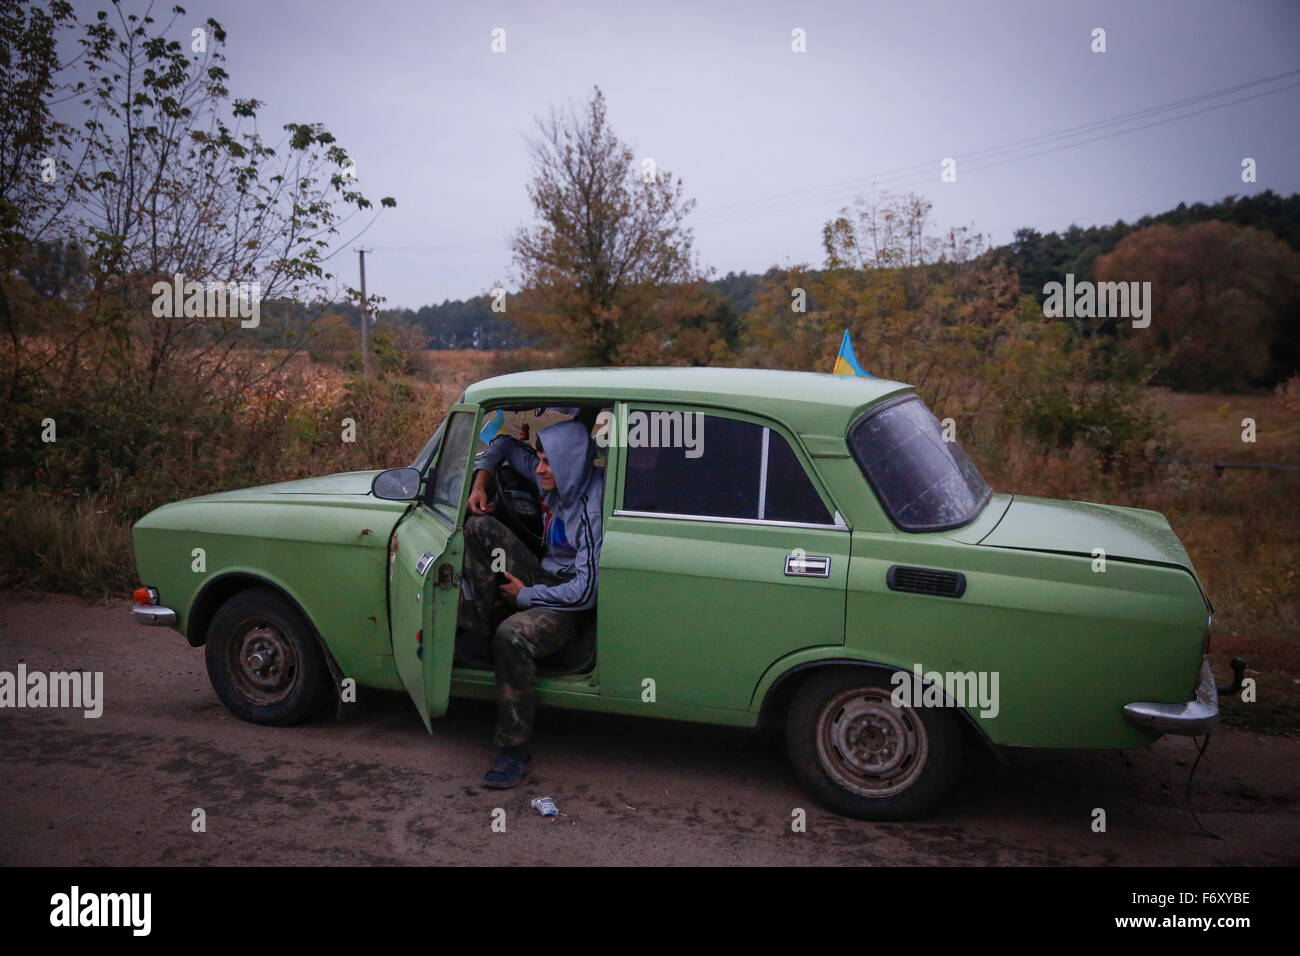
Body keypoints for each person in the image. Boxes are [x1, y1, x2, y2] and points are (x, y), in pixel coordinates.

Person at [459, 418, 604, 789]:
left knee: (512, 635)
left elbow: (586, 592)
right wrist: (481, 482)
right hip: (544, 576)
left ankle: (513, 750)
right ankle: (474, 639)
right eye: (538, 459)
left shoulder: (591, 508)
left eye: (547, 462)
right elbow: (504, 445)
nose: (538, 469)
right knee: (479, 528)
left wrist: (526, 595)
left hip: (568, 605)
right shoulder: (551, 474)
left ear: (570, 463)